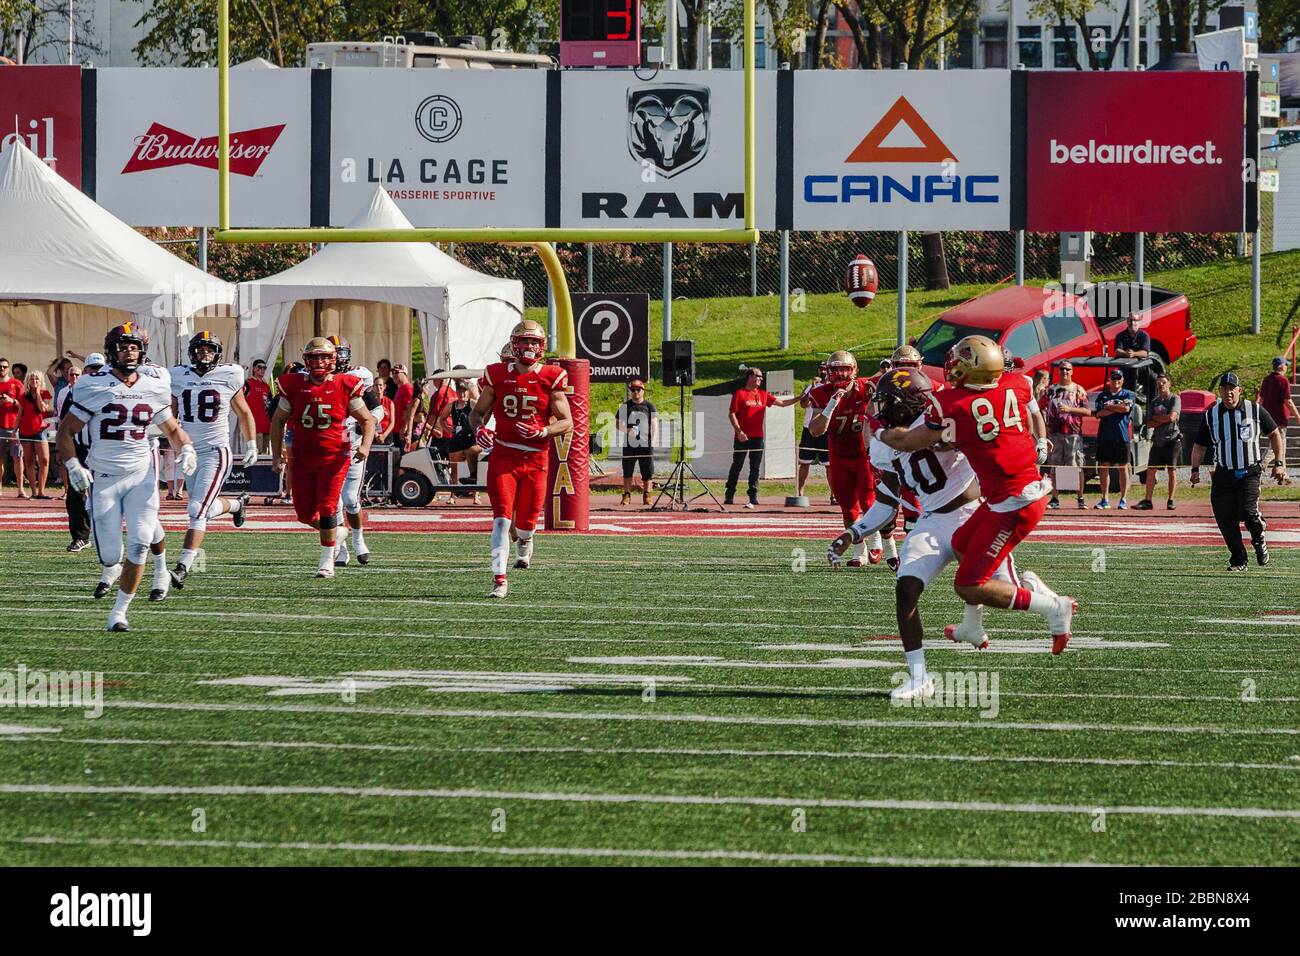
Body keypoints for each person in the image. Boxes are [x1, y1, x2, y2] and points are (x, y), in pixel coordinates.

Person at [830, 368, 1062, 699]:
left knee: (997, 590)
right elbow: (887, 499)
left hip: (974, 514)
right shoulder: (886, 445)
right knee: (906, 589)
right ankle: (919, 676)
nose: (881, 409)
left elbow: (978, 424)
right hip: (932, 520)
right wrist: (854, 532)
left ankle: (1036, 594)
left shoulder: (946, 418)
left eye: (888, 403)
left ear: (908, 404)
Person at [880, 334, 1075, 654]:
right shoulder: (1016, 384)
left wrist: (878, 431)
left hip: (1016, 503)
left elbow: (908, 442)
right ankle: (972, 625)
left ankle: (1054, 607)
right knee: (960, 545)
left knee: (969, 586)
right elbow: (1016, 399)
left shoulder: (953, 404)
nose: (952, 365)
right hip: (1014, 491)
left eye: (959, 361)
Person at [57, 324, 198, 631]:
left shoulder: (153, 384)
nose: (128, 352)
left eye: (133, 347)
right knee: (111, 556)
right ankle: (113, 570)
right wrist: (72, 465)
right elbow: (65, 432)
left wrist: (186, 447)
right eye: (122, 347)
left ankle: (119, 613)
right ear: (111, 352)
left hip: (141, 476)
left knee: (139, 544)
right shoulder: (93, 385)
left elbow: (171, 428)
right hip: (105, 478)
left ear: (142, 351)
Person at [470, 319, 573, 599]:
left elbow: (567, 422)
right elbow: (477, 413)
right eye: (524, 341)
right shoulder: (496, 374)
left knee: (526, 525)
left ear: (541, 346)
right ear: (514, 344)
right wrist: (479, 429)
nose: (528, 346)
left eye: (534, 342)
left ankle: (526, 542)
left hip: (535, 459)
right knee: (502, 519)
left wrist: (544, 430)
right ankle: (499, 580)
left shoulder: (551, 376)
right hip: (503, 455)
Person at [270, 338, 375, 578]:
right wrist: (277, 455)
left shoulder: (345, 384)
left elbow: (367, 419)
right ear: (306, 360)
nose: (319, 362)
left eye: (324, 357)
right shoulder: (293, 384)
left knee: (329, 506)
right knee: (304, 514)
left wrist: (366, 446)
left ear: (334, 359)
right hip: (302, 456)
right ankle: (337, 532)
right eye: (314, 357)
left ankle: (326, 562)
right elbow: (278, 421)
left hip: (334, 456)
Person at [166, 331, 257, 591]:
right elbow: (171, 416)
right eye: (201, 349)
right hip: (191, 452)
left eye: (210, 350)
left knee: (196, 510)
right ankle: (237, 504)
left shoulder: (230, 374)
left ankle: (182, 568)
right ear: (192, 352)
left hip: (216, 451)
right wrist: (179, 447)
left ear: (217, 353)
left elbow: (244, 411)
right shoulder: (177, 376)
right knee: (202, 508)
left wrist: (251, 443)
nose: (205, 354)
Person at [1191, 372, 1288, 570]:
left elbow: (1275, 434)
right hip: (1223, 473)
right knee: (1224, 517)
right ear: (1219, 391)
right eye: (1224, 388)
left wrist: (1279, 462)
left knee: (1248, 512)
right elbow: (1199, 445)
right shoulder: (1211, 415)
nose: (1228, 392)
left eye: (1231, 388)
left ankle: (1259, 537)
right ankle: (1239, 559)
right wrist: (1194, 469)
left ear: (1239, 390)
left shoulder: (1255, 410)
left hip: (1249, 471)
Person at [807, 351, 886, 566]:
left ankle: (877, 543)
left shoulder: (867, 388)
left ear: (855, 370)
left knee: (869, 503)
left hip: (863, 455)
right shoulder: (822, 393)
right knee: (848, 507)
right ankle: (859, 552)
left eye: (845, 368)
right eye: (835, 369)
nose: (840, 373)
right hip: (839, 456)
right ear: (828, 372)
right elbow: (814, 431)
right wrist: (831, 406)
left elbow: (890, 379)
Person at [327, 335, 384, 569]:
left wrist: (368, 423)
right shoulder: (317, 378)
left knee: (350, 499)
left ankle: (359, 538)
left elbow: (378, 408)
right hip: (329, 448)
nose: (335, 358)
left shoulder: (359, 376)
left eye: (338, 353)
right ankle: (340, 549)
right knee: (333, 501)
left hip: (353, 446)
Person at [725, 367, 798, 508]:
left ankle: (753, 495)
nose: (761, 379)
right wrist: (739, 431)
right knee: (737, 466)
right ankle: (730, 493)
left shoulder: (763, 394)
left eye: (761, 377)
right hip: (742, 437)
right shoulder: (740, 394)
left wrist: (801, 397)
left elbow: (782, 404)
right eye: (758, 376)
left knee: (755, 468)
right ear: (750, 377)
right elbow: (732, 413)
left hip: (757, 437)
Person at [1045, 361, 1090, 510]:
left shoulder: (1078, 389)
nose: (1064, 371)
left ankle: (1080, 498)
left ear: (1072, 371)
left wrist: (1070, 409)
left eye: (1067, 369)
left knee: (1076, 466)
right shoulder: (1051, 389)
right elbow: (1040, 407)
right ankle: (1054, 498)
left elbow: (1087, 411)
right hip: (1055, 433)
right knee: (1054, 466)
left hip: (1073, 433)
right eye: (1062, 369)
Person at [1093, 369, 1137, 509]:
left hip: (1122, 436)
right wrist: (1118, 407)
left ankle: (1123, 499)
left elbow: (1126, 409)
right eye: (1113, 378)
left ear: (1122, 380)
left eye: (1119, 378)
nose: (1116, 381)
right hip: (1105, 436)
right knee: (1103, 467)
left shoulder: (1128, 394)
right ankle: (1104, 499)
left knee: (1123, 467)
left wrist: (1110, 406)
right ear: (1109, 380)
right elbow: (1099, 413)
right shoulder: (1102, 395)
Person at [1139, 373, 1181, 510]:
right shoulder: (1154, 402)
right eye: (1158, 383)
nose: (1160, 385)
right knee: (1150, 470)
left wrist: (1159, 418)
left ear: (1169, 384)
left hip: (1172, 440)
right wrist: (1161, 419)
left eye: (1163, 382)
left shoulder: (1174, 399)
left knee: (1171, 470)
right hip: (1157, 440)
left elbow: (1172, 417)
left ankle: (1171, 500)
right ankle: (1148, 500)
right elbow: (1149, 423)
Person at [618, 377, 657, 505]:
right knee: (627, 470)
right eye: (633, 390)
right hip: (629, 444)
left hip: (646, 444)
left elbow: (654, 424)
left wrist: (653, 442)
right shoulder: (626, 406)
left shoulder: (649, 406)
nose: (636, 392)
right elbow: (618, 424)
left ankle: (647, 495)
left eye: (638, 389)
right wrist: (628, 430)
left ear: (643, 390)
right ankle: (626, 495)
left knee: (647, 471)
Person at [796, 367, 829, 500]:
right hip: (808, 428)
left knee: (829, 464)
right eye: (821, 369)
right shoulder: (810, 386)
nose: (824, 372)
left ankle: (834, 495)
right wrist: (812, 389)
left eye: (826, 369)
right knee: (804, 462)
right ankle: (800, 493)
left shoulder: (832, 387)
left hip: (825, 428)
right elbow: (803, 404)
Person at [19, 370, 54, 499]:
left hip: (40, 430)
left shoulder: (45, 394)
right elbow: (19, 414)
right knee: (29, 461)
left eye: (37, 379)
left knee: (44, 460)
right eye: (32, 379)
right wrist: (14, 430)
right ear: (28, 381)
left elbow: (43, 409)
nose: (34, 381)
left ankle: (41, 491)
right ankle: (33, 491)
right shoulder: (24, 396)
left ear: (40, 381)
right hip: (25, 431)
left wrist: (38, 393)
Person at [0, 358, 27, 497]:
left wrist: (12, 401)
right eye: (0, 367)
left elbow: (23, 406)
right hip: (0, 427)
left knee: (18, 457)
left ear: (8, 368)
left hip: (14, 427)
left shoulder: (16, 384)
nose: (2, 369)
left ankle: (21, 489)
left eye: (4, 367)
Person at [1258, 357, 1298, 438]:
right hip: (1279, 419)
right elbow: (1288, 401)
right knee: (1279, 446)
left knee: (1273, 443)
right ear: (1281, 366)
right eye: (1286, 364)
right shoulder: (1283, 380)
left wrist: (1259, 415)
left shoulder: (1267, 379)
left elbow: (1261, 399)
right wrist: (1297, 416)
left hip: (1268, 417)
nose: (1287, 367)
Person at [1113, 315, 1151, 390]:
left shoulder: (1144, 335)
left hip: (1140, 366)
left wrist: (1134, 354)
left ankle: (1151, 401)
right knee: (1122, 377)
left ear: (1139, 322)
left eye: (1135, 320)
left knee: (1153, 378)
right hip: (1125, 367)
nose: (1133, 323)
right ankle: (1128, 399)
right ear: (1127, 321)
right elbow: (1117, 350)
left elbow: (1145, 353)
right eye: (1130, 320)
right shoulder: (1120, 336)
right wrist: (1125, 354)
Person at [244, 359, 273, 454]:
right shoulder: (248, 383)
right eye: (259, 367)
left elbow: (270, 404)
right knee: (257, 453)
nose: (262, 370)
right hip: (255, 425)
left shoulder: (266, 386)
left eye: (264, 368)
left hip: (266, 424)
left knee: (265, 454)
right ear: (254, 369)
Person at [391, 365, 417, 450]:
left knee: (403, 459)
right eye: (393, 372)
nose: (394, 374)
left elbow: (410, 410)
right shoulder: (400, 388)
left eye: (397, 372)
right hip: (398, 430)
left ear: (405, 374)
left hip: (402, 431)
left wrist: (405, 428)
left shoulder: (407, 388)